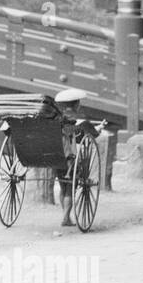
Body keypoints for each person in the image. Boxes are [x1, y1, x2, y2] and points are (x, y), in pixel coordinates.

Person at [53, 88, 101, 226]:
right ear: (76, 104)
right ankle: (66, 217)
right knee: (70, 188)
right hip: (69, 156)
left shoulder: (58, 119)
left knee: (63, 186)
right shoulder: (75, 120)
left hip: (56, 154)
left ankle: (66, 217)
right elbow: (91, 134)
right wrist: (98, 129)